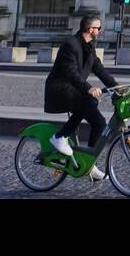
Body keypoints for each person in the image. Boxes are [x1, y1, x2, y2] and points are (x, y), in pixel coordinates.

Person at [44, 15, 119, 180]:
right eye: (99, 28)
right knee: (89, 100)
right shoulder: (70, 44)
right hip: (59, 89)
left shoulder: (89, 47)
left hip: (74, 89)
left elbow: (99, 69)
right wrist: (89, 88)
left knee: (100, 123)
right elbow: (71, 72)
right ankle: (60, 137)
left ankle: (89, 163)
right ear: (90, 29)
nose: (100, 30)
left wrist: (117, 86)